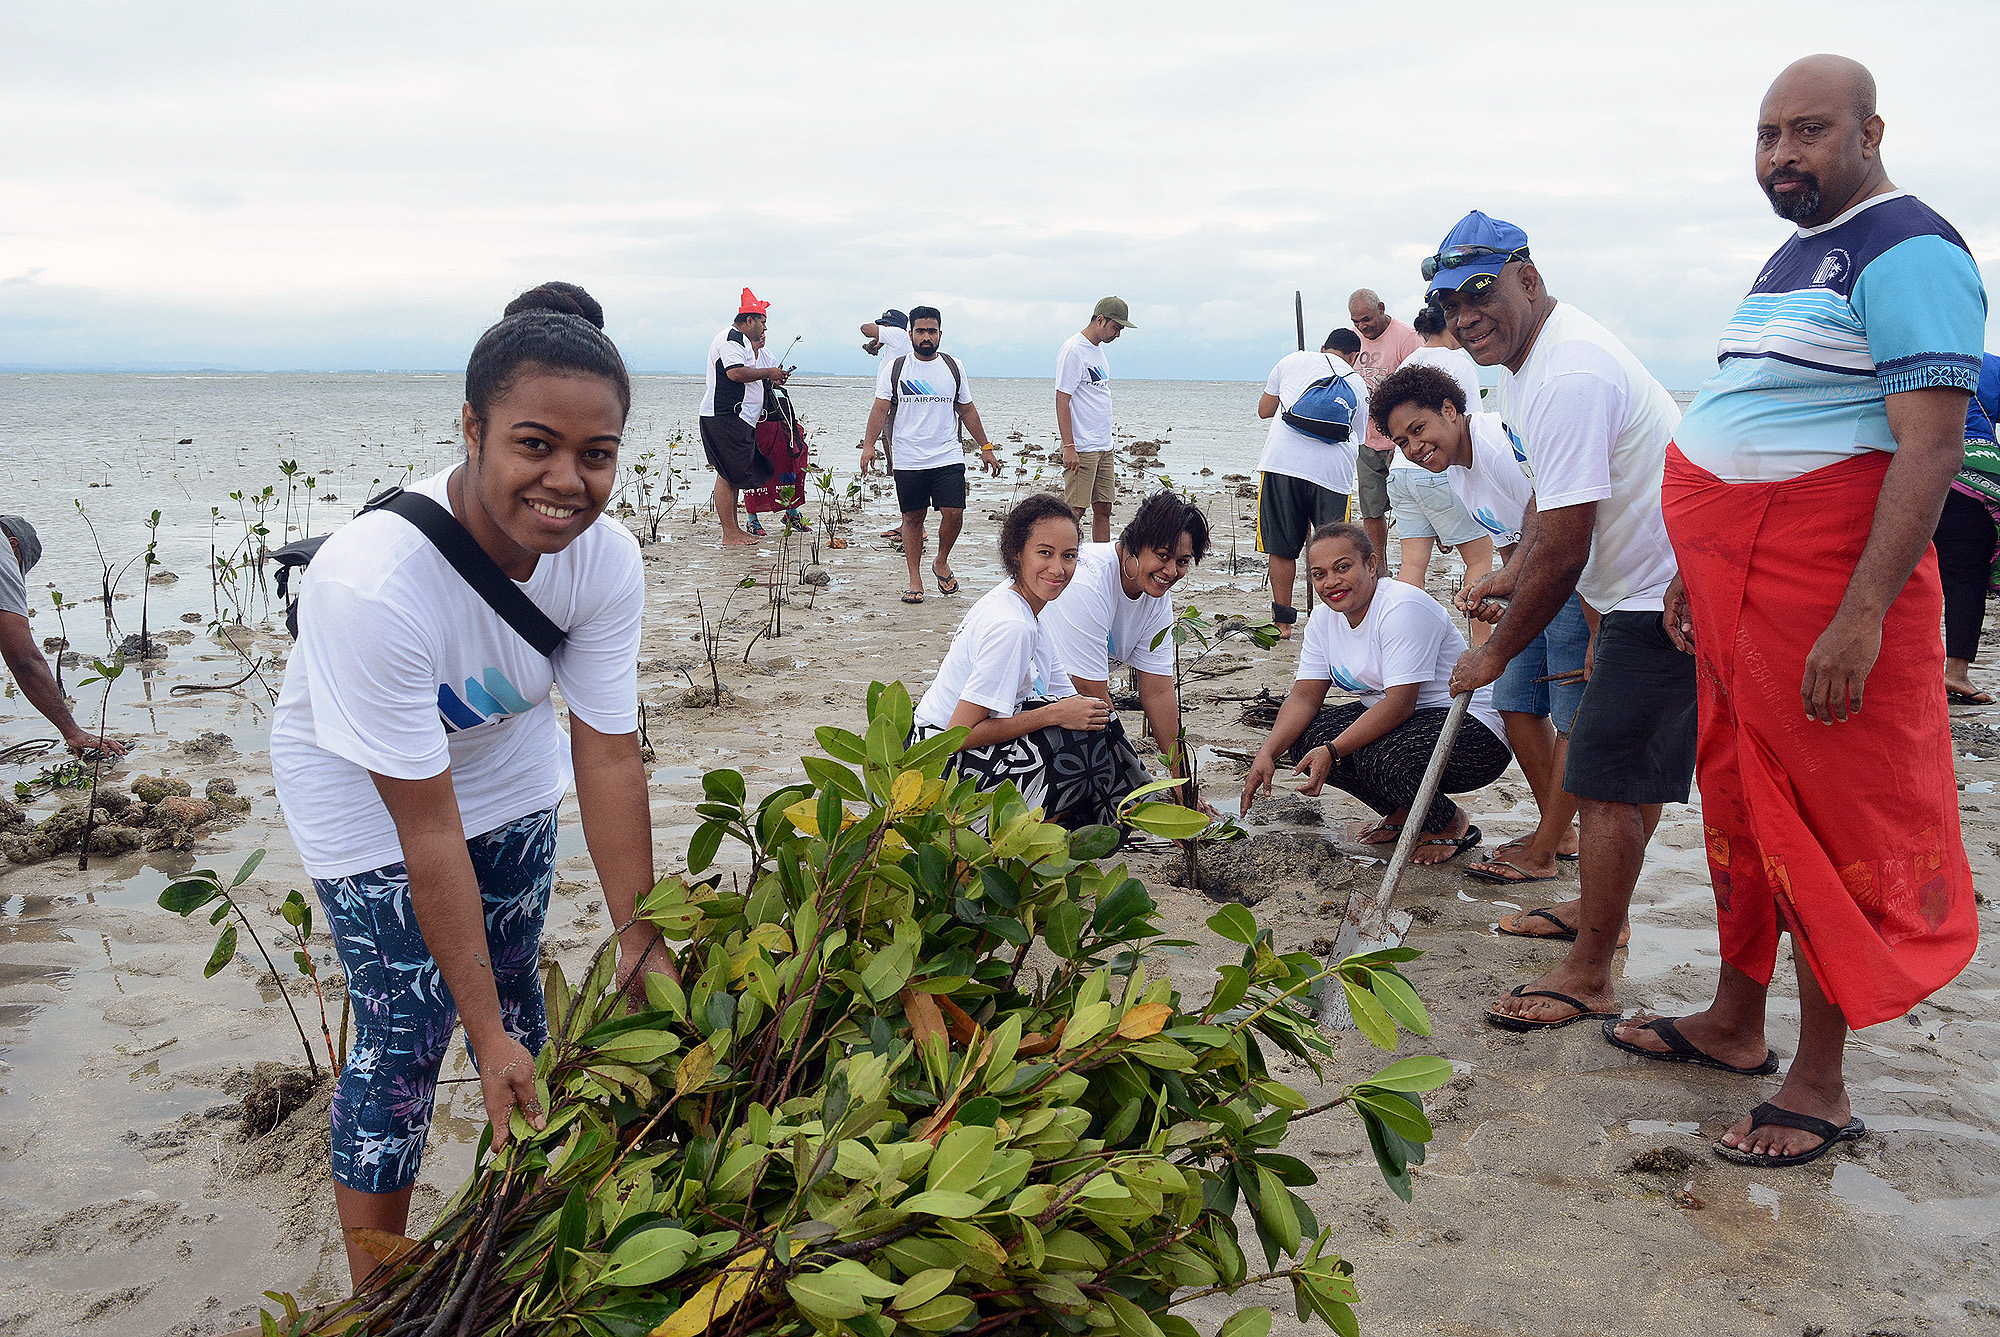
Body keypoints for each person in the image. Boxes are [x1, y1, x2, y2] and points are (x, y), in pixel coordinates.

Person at [1613, 55, 1984, 1168]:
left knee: (1826, 825)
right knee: (1740, 801)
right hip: (1739, 591)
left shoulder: (1909, 246)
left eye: (1808, 130)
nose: (1781, 154)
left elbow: (1929, 447)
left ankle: (1818, 1076)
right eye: (1767, 134)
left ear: (1871, 132)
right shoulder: (1797, 252)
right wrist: (1696, 567)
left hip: (1826, 587)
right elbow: (1758, 411)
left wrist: (1861, 616)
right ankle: (1735, 1020)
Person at [271, 284, 665, 1289]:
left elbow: (607, 753)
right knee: (408, 1035)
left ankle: (517, 1227)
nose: (566, 481)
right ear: (473, 429)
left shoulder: (605, 561)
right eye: (534, 445)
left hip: (506, 763)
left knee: (520, 994)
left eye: (596, 453)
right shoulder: (371, 582)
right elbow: (427, 830)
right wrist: (478, 1034)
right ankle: (376, 1293)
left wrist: (639, 932)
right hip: (365, 793)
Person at [1426, 210, 1692, 1030]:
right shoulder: (1527, 365)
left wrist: (1495, 654)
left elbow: (1569, 546)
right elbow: (1551, 490)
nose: (1467, 316)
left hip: (1662, 593)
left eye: (1481, 293)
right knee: (1624, 776)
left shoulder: (1569, 370)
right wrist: (1510, 572)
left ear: (1529, 279)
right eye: (1450, 304)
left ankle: (1589, 974)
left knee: (1607, 782)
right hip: (1634, 588)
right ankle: (1596, 913)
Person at [1371, 363, 1589, 888]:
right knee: (1514, 701)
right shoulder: (1456, 473)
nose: (1413, 448)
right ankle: (1559, 831)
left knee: (1570, 717)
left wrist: (1514, 580)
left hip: (1577, 580)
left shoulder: (1494, 444)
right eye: (1401, 442)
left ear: (1451, 410)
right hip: (1539, 587)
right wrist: (1504, 596)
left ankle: (1545, 848)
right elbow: (1513, 542)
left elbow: (1550, 507)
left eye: (1419, 429)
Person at [1239, 522, 1509, 863]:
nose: (1331, 582)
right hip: (1409, 723)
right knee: (1305, 739)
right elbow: (1305, 696)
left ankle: (1448, 821)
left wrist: (1333, 750)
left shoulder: (1401, 607)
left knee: (1372, 754)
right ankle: (1404, 810)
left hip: (1473, 733)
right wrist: (1267, 753)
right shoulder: (1323, 620)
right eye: (1319, 574)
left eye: (1342, 567)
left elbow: (1400, 704)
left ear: (1370, 564)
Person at [912, 494, 1150, 829]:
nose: (1058, 569)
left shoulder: (1027, 608)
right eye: (1045, 553)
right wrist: (1054, 715)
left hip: (941, 746)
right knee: (1078, 749)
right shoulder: (1013, 627)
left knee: (1094, 727)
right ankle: (1034, 836)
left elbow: (1070, 697)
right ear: (1016, 554)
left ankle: (1135, 808)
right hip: (937, 764)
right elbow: (958, 735)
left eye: (1068, 556)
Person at [1042, 490, 1212, 809]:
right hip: (1027, 700)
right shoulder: (1087, 581)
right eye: (1162, 556)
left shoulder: (1156, 596)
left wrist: (1183, 787)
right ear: (1135, 545)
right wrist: (1138, 786)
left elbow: (1158, 692)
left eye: (1182, 562)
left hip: (1065, 701)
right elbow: (1090, 693)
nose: (1171, 571)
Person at [860, 307, 1001, 603]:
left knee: (954, 512)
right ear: (911, 333)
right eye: (921, 331)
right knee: (912, 518)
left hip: (947, 454)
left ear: (940, 334)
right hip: (908, 456)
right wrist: (869, 445)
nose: (926, 337)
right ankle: (915, 578)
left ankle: (941, 560)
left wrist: (986, 448)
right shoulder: (896, 368)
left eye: (932, 331)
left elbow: (967, 409)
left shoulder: (953, 366)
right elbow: (880, 408)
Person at [1255, 330, 1365, 639]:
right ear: (1354, 357)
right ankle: (1338, 621)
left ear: (1323, 348)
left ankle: (1283, 624)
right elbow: (1358, 436)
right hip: (1333, 474)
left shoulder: (1293, 360)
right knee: (1336, 549)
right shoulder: (1357, 383)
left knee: (1281, 548)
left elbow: (1264, 410)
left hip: (1281, 465)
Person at [1384, 307, 1495, 610]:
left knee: (1412, 564)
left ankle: (1402, 630)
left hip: (1401, 472)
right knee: (1479, 560)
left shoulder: (1409, 361)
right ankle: (1483, 638)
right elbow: (1471, 428)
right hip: (1436, 469)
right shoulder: (1458, 363)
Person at [0, 515, 129, 758]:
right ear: (13, 545)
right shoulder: (2, 552)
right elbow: (24, 660)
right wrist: (72, 731)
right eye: (18, 567)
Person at [699, 288, 791, 546]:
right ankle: (730, 533)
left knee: (734, 473)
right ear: (749, 320)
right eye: (762, 322)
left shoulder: (744, 343)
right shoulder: (731, 339)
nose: (765, 328)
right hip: (724, 415)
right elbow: (735, 373)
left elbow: (751, 373)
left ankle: (735, 529)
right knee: (727, 473)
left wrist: (772, 376)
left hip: (739, 418)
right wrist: (768, 372)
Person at [1934, 350, 2000, 703]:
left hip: (1908, 469)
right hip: (1973, 477)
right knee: (1965, 576)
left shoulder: (1896, 357)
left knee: (1899, 575)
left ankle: (1896, 669)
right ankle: (1955, 673)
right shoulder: (1989, 365)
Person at [1348, 289, 1423, 559]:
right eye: (1356, 321)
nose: (1362, 327)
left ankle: (1418, 559)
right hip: (1366, 440)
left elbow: (1418, 388)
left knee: (1413, 507)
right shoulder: (1352, 340)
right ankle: (1378, 567)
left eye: (1366, 319)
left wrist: (1406, 437)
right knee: (1371, 510)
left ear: (1381, 308)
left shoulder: (1407, 337)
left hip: (1400, 440)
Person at [1057, 298, 1133, 544]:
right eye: (1116, 327)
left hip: (1104, 445)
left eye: (1120, 330)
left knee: (1104, 508)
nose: (1117, 335)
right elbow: (1062, 399)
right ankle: (1065, 556)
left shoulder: (1098, 351)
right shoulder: (1073, 349)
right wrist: (1069, 446)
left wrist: (1108, 442)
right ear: (1100, 319)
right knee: (1074, 511)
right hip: (1082, 446)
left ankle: (1102, 559)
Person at [861, 310, 915, 540]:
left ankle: (914, 527)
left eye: (885, 326)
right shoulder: (896, 343)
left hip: (895, 409)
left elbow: (864, 328)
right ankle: (908, 524)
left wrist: (879, 336)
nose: (882, 329)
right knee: (899, 468)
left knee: (904, 469)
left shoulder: (899, 335)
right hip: (894, 407)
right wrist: (880, 343)